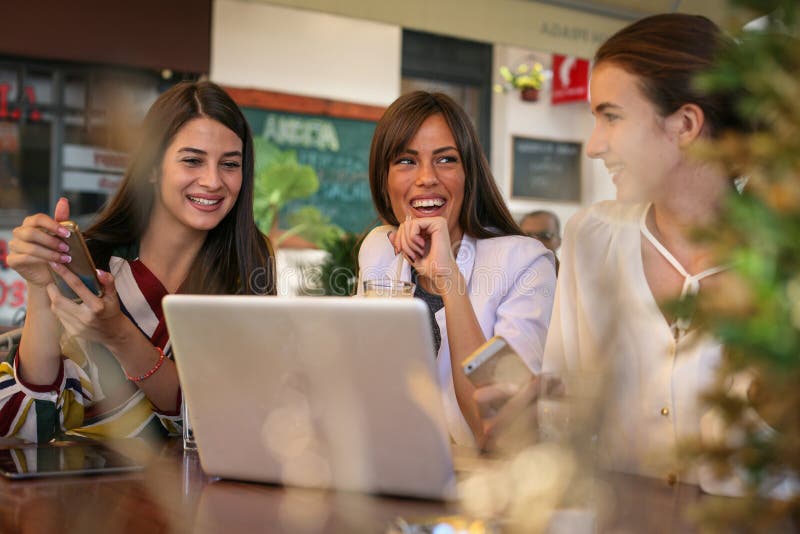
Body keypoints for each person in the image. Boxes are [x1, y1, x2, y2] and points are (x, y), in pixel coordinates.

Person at [541, 13, 756, 485]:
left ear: (684, 123)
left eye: (611, 117)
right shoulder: (590, 239)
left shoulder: (781, 259)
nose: (595, 146)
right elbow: (560, 412)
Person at [2, 81, 275, 442]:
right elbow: (22, 429)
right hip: (84, 495)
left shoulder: (248, 267)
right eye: (192, 160)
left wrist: (119, 336)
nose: (212, 181)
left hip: (203, 496)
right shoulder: (91, 264)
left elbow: (236, 420)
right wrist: (41, 287)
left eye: (229, 164)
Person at [357, 91, 556, 447]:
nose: (426, 178)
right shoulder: (380, 249)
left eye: (446, 160)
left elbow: (498, 429)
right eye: (406, 161)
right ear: (383, 178)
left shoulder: (525, 262)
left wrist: (450, 280)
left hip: (482, 486)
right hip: (392, 470)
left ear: (469, 173)